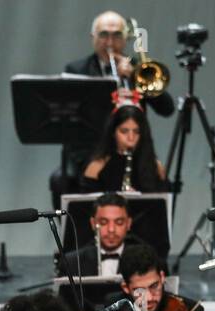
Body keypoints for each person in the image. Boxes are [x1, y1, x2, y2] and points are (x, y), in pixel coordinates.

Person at [51, 11, 174, 207]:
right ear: (93, 38)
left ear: (125, 39)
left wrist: (135, 76)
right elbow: (76, 118)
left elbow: (167, 109)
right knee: (59, 179)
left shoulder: (138, 67)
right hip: (92, 150)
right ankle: (73, 235)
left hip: (133, 149)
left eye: (117, 35)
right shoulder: (77, 69)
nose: (110, 41)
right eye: (103, 35)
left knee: (163, 178)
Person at [57, 192, 148, 279]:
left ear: (128, 224)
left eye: (119, 222)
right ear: (93, 223)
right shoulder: (72, 262)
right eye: (103, 222)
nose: (111, 229)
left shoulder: (145, 261)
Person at [81, 104, 167, 194]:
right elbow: (87, 205)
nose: (131, 138)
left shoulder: (155, 167)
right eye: (124, 131)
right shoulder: (97, 166)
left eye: (136, 132)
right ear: (113, 132)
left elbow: (163, 204)